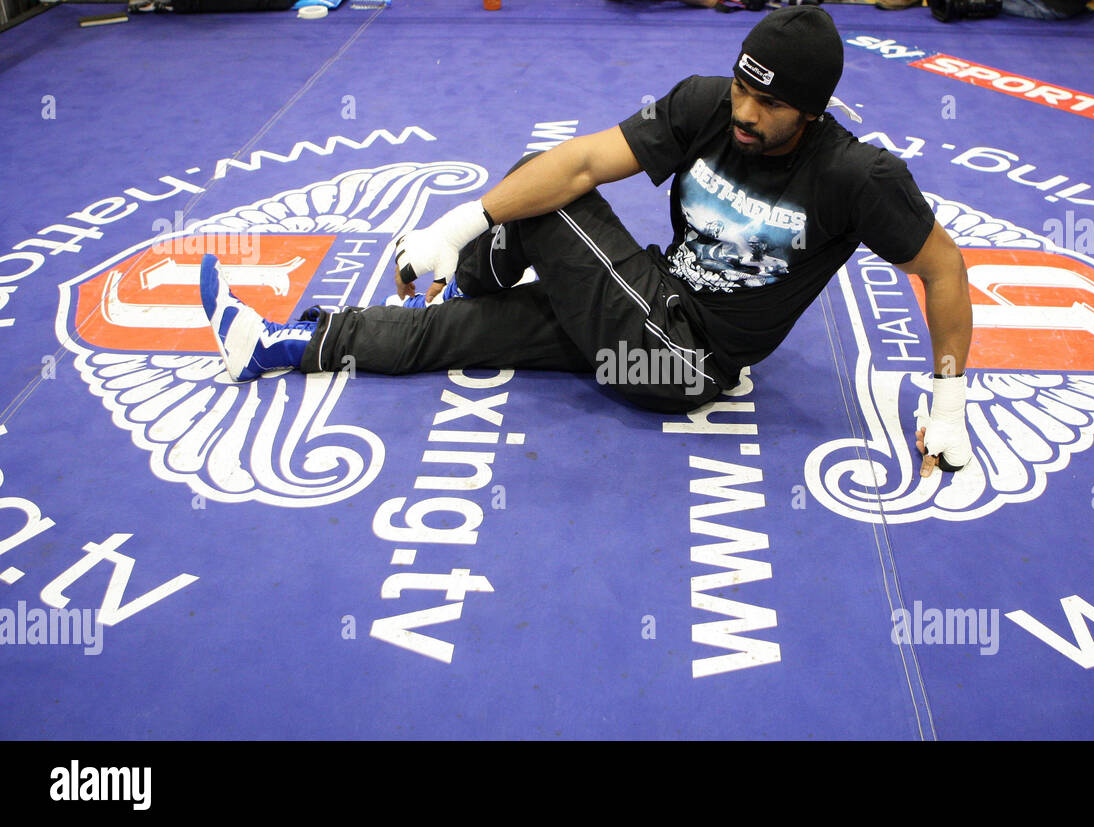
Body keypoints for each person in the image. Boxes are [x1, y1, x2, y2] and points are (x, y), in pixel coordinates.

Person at [199, 5, 974, 478]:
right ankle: (278, 344)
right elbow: (585, 159)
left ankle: (474, 269)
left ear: (809, 110)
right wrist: (453, 225)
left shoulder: (855, 175)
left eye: (765, 103)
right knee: (462, 330)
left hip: (684, 359)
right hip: (640, 315)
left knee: (544, 195)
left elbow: (943, 271)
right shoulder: (707, 107)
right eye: (740, 85)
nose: (743, 110)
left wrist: (948, 402)